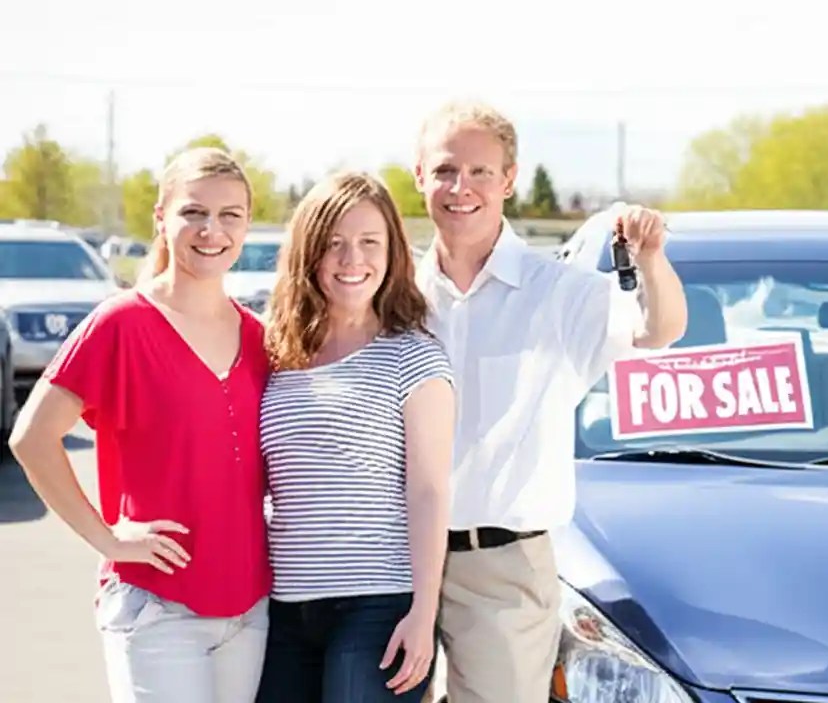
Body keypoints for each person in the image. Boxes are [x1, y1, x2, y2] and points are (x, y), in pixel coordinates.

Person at [412, 100, 688, 703]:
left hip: (502, 569)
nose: (461, 188)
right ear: (419, 175)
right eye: (445, 170)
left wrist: (652, 258)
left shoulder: (558, 294)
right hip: (392, 558)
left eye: (481, 172)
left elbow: (658, 328)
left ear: (509, 180)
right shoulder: (396, 295)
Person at [7, 147, 272, 703]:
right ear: (161, 218)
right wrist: (104, 536)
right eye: (194, 212)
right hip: (158, 609)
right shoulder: (122, 323)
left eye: (230, 215)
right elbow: (32, 437)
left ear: (247, 224)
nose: (211, 230)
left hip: (250, 609)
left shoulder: (258, 336)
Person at [253, 171, 454, 702]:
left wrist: (423, 612)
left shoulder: (415, 356)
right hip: (285, 607)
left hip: (378, 605)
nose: (352, 260)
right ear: (309, 253)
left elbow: (430, 492)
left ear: (392, 253)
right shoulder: (276, 355)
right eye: (335, 244)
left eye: (370, 243)